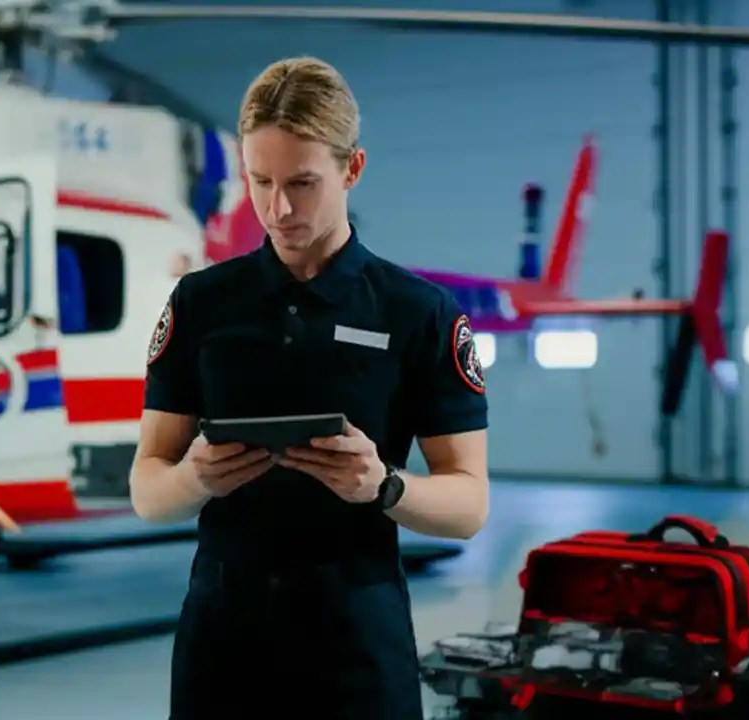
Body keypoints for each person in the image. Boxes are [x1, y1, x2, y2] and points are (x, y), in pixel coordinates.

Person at [129, 56, 491, 720]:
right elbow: (148, 489)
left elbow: (468, 504)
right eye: (259, 181)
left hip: (355, 638)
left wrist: (383, 486)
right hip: (223, 640)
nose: (279, 208)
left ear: (352, 169)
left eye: (303, 182)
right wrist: (196, 480)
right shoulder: (201, 304)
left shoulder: (419, 314)